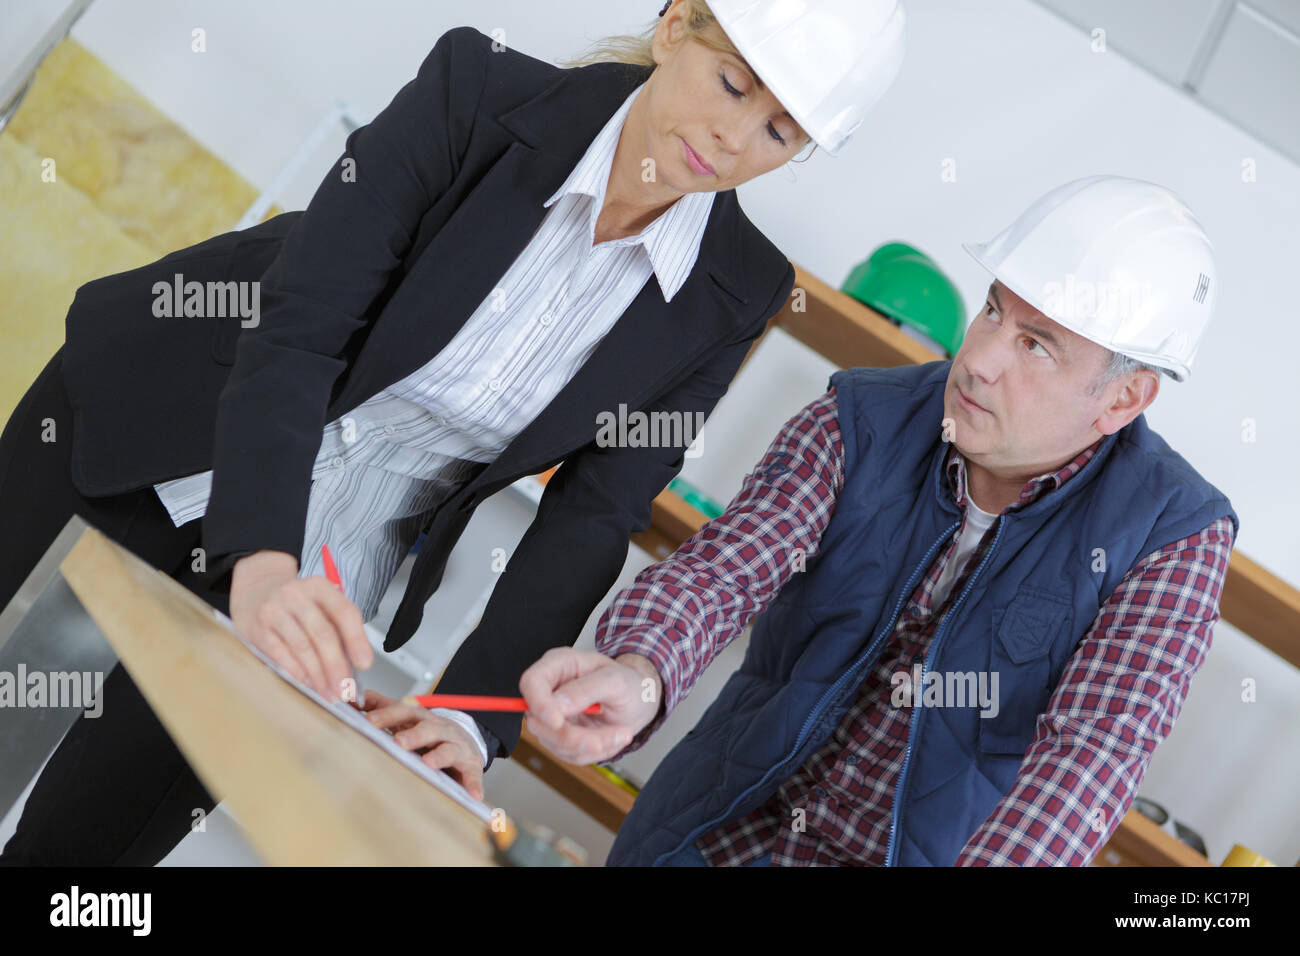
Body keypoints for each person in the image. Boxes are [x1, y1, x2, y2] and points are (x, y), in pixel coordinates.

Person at [0, 0, 906, 864]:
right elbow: (300, 328)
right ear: (675, 29)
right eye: (733, 85)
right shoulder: (475, 90)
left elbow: (594, 513)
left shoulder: (735, 289)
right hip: (167, 434)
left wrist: (473, 715)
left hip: (331, 559)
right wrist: (262, 559)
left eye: (781, 133)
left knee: (85, 860)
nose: (733, 139)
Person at [509, 176, 1239, 866]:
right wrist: (640, 669)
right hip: (705, 839)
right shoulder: (862, 416)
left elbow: (1092, 754)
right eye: (993, 311)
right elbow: (725, 570)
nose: (979, 360)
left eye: (1036, 345)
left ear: (1123, 399)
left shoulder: (1172, 536)